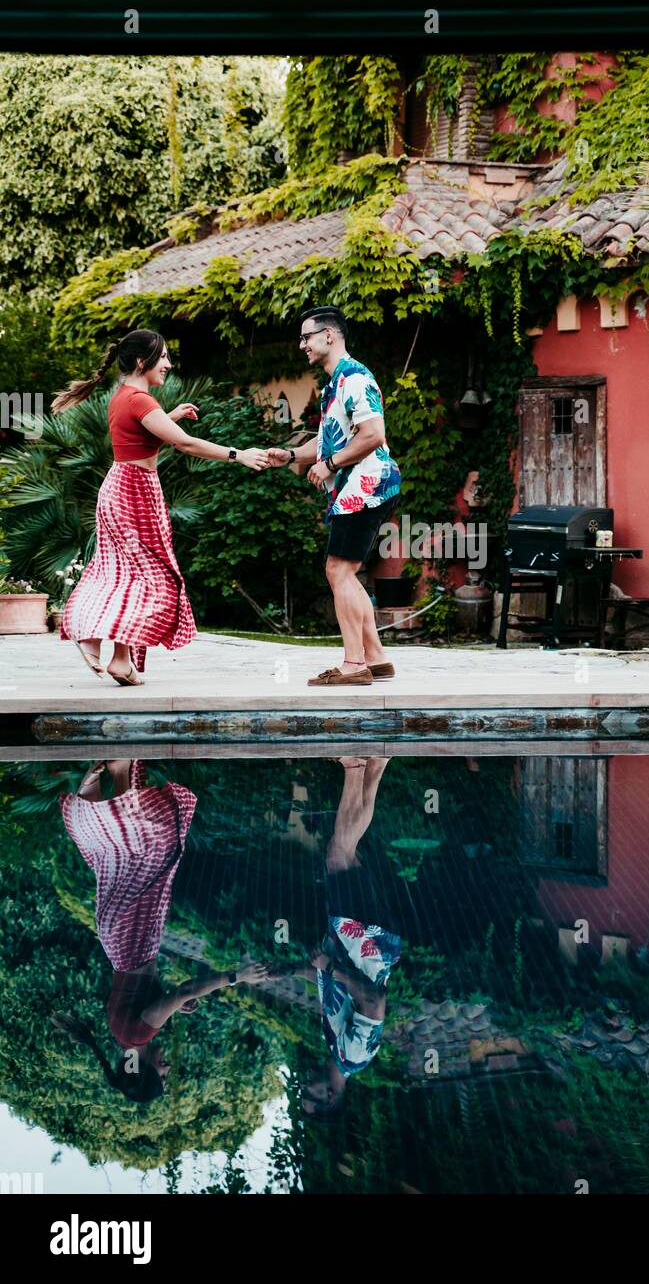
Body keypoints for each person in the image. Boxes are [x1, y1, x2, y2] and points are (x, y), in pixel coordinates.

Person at [52, 329, 269, 685]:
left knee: (128, 574)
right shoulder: (140, 400)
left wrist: (170, 416)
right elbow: (186, 445)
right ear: (143, 361)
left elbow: (140, 437)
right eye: (163, 356)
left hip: (124, 489)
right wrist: (239, 454)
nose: (168, 363)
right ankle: (87, 631)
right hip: (133, 493)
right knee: (151, 578)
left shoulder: (125, 396)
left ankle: (118, 658)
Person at [51, 759, 271, 1102]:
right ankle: (100, 788)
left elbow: (186, 990)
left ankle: (117, 775)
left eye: (162, 1076)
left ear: (143, 1072)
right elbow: (160, 995)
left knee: (155, 847)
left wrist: (237, 976)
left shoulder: (137, 1036)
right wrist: (172, 1004)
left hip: (131, 940)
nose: (167, 1068)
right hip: (119, 939)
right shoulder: (123, 1035)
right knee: (128, 858)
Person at [268, 306, 401, 686]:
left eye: (306, 337)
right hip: (361, 486)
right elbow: (330, 440)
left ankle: (354, 664)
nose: (302, 345)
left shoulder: (355, 378)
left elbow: (373, 434)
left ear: (329, 335)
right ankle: (375, 658)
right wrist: (290, 455)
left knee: (338, 570)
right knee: (345, 572)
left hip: (366, 484)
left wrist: (330, 464)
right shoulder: (336, 383)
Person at [295, 756, 402, 1120]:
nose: (304, 1085)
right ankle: (355, 766)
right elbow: (373, 1001)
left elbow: (336, 990)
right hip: (366, 947)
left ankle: (377, 764)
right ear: (329, 1096)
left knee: (345, 853)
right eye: (309, 1094)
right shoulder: (353, 1058)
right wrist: (331, 967)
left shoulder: (336, 1048)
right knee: (338, 854)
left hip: (363, 944)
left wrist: (293, 970)